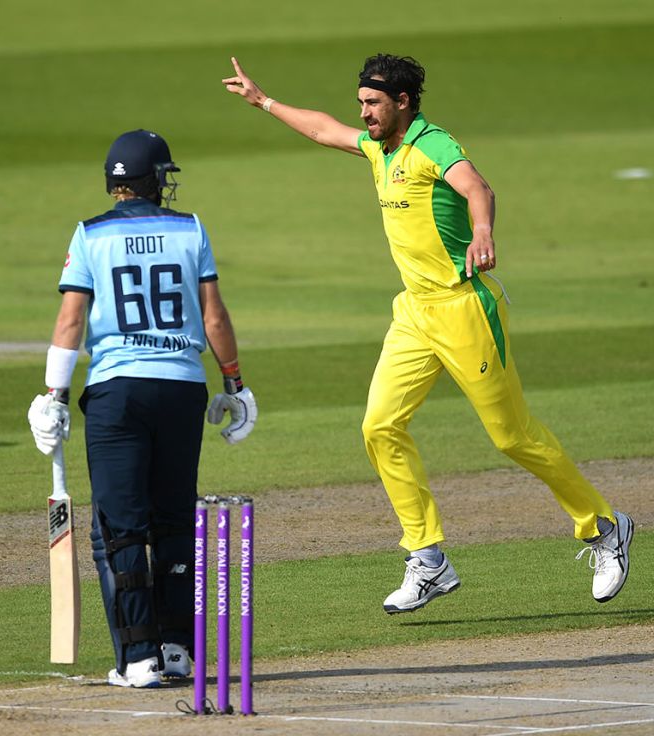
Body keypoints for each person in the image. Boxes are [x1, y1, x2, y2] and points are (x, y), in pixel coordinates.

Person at [222, 54, 632, 614]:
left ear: (403, 103)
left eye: (373, 103)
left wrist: (482, 229)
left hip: (465, 309)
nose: (362, 111)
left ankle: (605, 527)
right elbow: (323, 129)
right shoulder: (378, 148)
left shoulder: (431, 143)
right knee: (379, 426)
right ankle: (428, 558)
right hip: (414, 313)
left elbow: (477, 186)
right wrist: (263, 101)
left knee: (512, 437)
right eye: (361, 101)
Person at [27, 129, 257, 687]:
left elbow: (70, 321)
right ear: (153, 180)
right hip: (181, 387)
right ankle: (178, 651)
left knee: (123, 529)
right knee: (176, 519)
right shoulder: (191, 229)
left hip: (117, 393)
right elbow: (215, 317)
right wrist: (235, 384)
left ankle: (137, 658)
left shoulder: (89, 235)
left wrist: (53, 395)